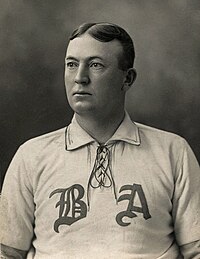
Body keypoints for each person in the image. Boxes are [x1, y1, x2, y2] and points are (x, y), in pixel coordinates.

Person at [0, 22, 200, 259]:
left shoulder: (172, 152)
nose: (80, 78)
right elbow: (7, 252)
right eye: (72, 64)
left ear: (128, 79)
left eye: (95, 65)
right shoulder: (31, 156)